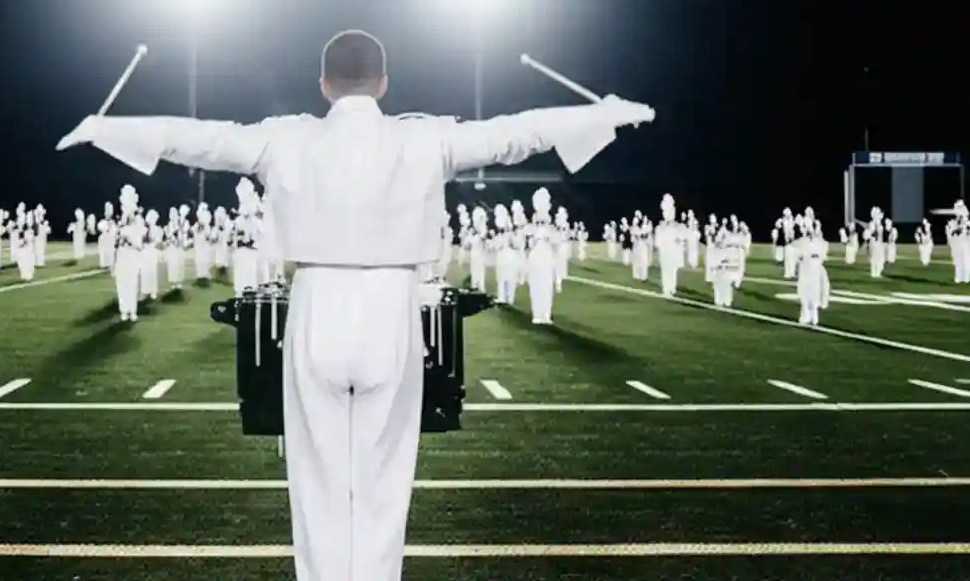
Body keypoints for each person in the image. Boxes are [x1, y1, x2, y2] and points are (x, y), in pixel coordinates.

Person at [56, 29, 653, 581]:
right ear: (385, 83)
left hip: (316, 303)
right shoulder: (425, 136)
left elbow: (200, 138)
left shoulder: (285, 137)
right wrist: (604, 116)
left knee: (316, 484)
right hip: (393, 308)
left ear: (323, 85)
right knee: (383, 485)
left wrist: (108, 128)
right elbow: (517, 133)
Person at [526, 188, 558, 324]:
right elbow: (528, 244)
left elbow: (555, 242)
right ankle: (537, 313)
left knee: (546, 285)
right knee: (536, 285)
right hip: (536, 256)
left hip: (546, 255)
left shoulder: (551, 227)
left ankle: (546, 314)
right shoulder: (531, 227)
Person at [795, 222, 831, 325]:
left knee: (815, 292)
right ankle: (805, 314)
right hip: (805, 269)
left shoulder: (822, 243)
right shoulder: (803, 241)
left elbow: (821, 256)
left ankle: (814, 315)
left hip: (815, 270)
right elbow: (799, 254)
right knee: (804, 292)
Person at [653, 194, 684, 298]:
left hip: (672, 250)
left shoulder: (676, 227)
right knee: (666, 270)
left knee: (672, 270)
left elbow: (680, 239)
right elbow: (659, 240)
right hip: (666, 250)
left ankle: (671, 288)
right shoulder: (661, 227)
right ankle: (667, 288)